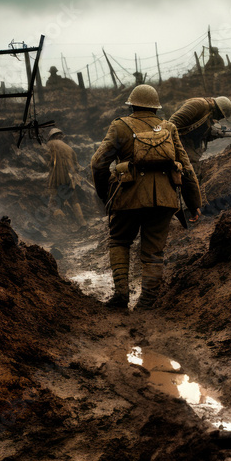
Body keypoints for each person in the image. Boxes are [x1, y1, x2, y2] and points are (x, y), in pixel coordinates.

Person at [89, 84, 201, 311]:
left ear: (132, 105)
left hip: (127, 197)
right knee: (153, 251)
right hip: (164, 199)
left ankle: (121, 295)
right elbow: (186, 168)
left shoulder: (119, 126)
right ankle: (147, 302)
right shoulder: (169, 127)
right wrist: (194, 203)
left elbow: (98, 163)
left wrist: (105, 193)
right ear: (156, 107)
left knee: (119, 240)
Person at [168, 96, 231, 176]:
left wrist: (215, 133)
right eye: (221, 116)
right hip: (175, 140)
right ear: (218, 110)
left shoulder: (209, 113)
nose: (219, 119)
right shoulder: (199, 105)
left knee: (194, 168)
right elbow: (173, 123)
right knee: (190, 169)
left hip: (186, 141)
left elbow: (199, 133)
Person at [45, 128, 87, 227]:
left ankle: (60, 226)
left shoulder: (49, 145)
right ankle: (83, 223)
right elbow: (76, 165)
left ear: (51, 137)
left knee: (54, 202)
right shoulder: (69, 148)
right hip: (69, 179)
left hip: (56, 180)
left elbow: (46, 160)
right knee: (74, 200)